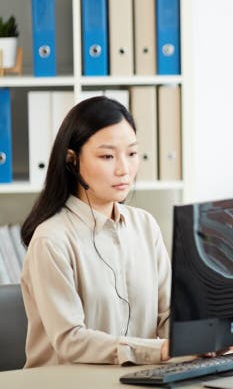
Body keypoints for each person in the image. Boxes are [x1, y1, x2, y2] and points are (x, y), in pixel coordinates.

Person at [19, 96, 170, 367]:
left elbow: (169, 316)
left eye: (132, 154)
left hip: (137, 381)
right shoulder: (51, 240)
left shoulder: (146, 226)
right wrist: (156, 350)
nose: (124, 169)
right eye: (107, 156)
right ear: (72, 161)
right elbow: (71, 340)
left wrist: (206, 341)